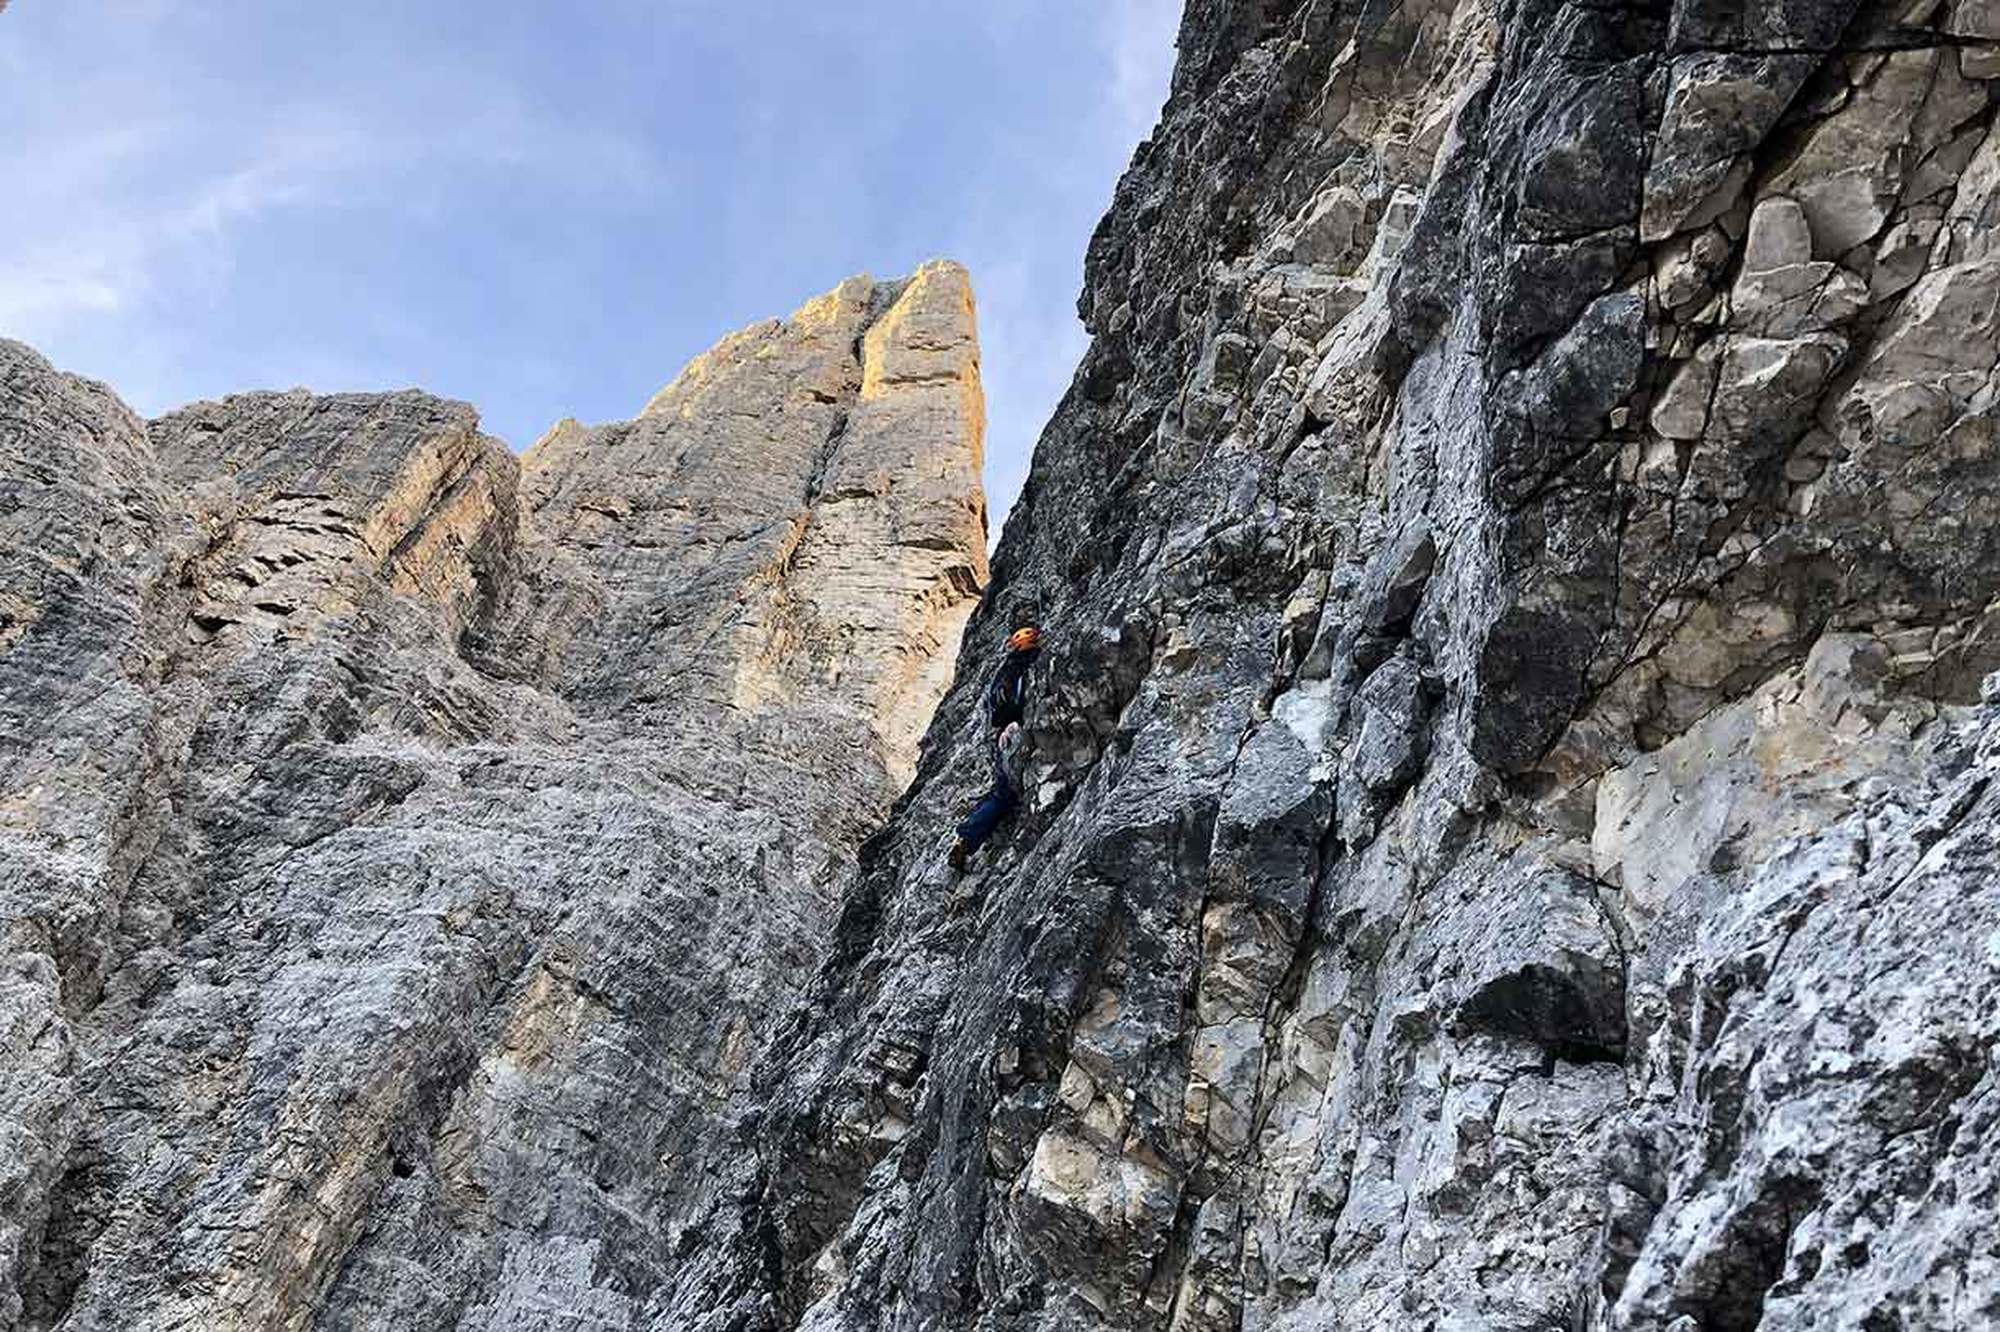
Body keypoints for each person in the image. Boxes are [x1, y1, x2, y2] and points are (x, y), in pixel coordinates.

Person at [949, 625, 1041, 871]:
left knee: (1001, 793)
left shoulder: (1004, 671)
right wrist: (1017, 720)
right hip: (1019, 728)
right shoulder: (1027, 663)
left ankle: (966, 839)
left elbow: (996, 705)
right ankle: (968, 838)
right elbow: (1020, 698)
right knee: (1009, 791)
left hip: (1002, 734)